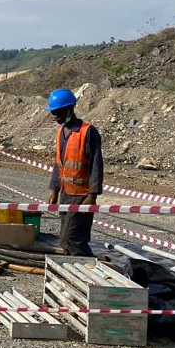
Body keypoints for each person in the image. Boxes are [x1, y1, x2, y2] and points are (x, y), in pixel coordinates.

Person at [46, 88, 103, 256]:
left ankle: (86, 268)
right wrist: (53, 189)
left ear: (70, 109)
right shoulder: (60, 133)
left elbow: (96, 165)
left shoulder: (87, 132)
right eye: (53, 112)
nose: (55, 115)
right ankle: (75, 268)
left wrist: (92, 195)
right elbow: (59, 164)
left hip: (82, 196)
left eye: (58, 112)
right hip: (66, 193)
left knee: (74, 238)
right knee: (65, 237)